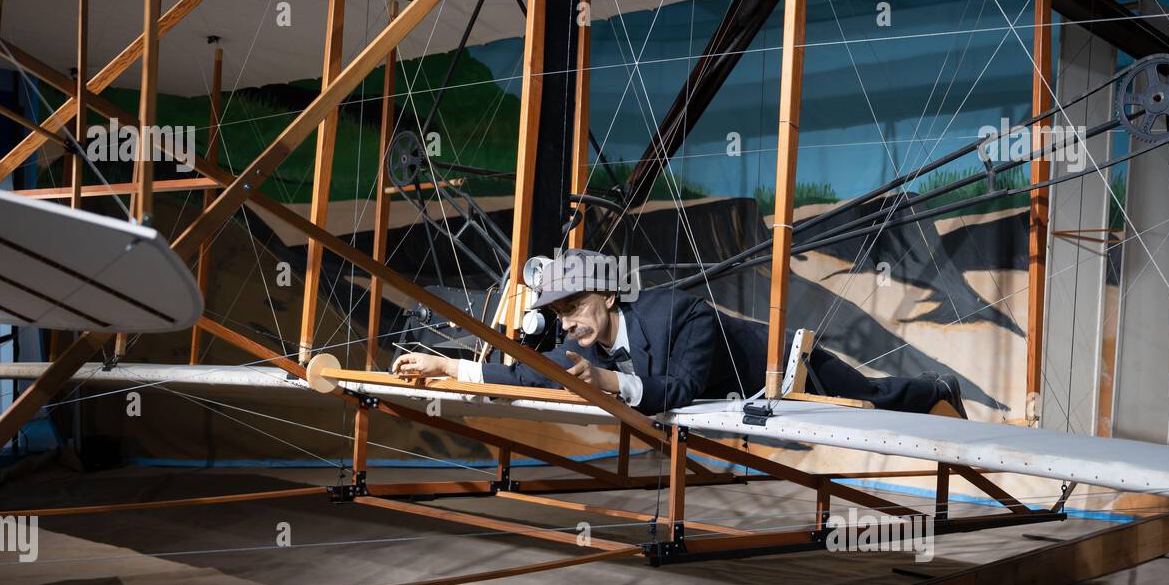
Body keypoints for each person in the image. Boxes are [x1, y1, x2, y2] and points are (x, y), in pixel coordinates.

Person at [392, 249, 965, 418]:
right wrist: (447, 367)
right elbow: (525, 373)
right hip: (737, 399)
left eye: (573, 305)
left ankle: (936, 387)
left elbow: (686, 389)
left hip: (779, 365)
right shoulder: (577, 343)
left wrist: (608, 383)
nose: (565, 321)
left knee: (868, 399)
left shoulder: (679, 313)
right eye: (559, 311)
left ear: (608, 294)